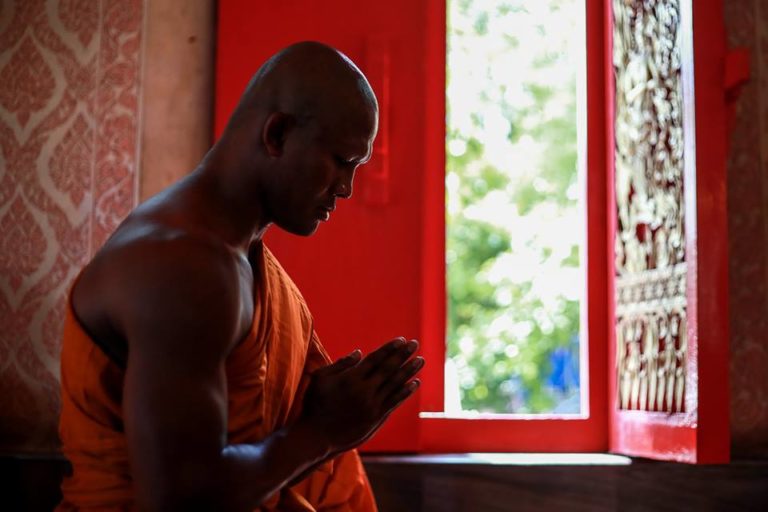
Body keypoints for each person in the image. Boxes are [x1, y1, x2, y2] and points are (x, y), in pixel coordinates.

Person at [57, 41, 424, 511]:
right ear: (277, 135)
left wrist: (322, 417)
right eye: (341, 162)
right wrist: (320, 432)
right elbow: (180, 500)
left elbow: (250, 453)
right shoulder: (183, 270)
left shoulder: (237, 257)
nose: (347, 188)